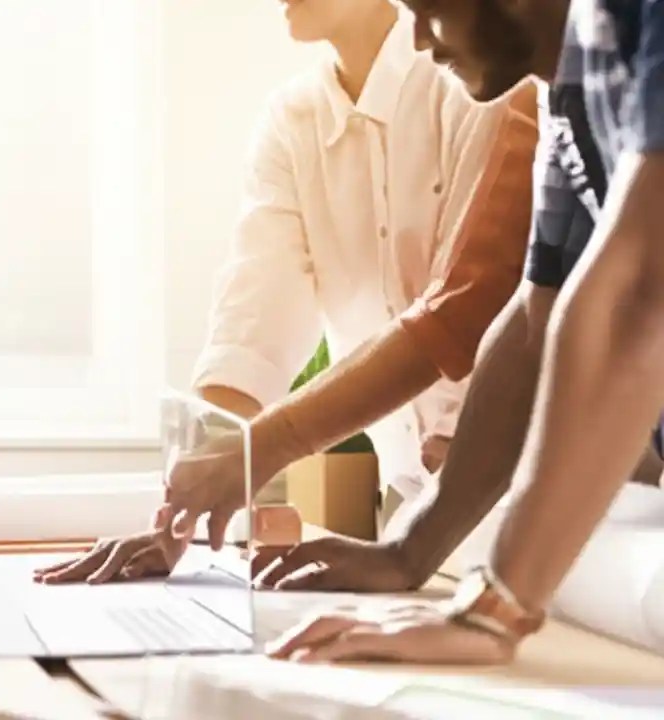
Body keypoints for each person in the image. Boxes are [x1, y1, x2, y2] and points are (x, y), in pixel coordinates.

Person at [212, 0, 664, 665]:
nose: (419, 40)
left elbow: (635, 296)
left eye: (429, 11)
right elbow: (533, 323)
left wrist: (494, 611)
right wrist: (411, 550)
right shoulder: (569, 83)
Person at [36, 0, 537, 585]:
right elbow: (253, 334)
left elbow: (462, 311)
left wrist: (263, 448)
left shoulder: (483, 79)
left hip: (535, 499)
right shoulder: (292, 120)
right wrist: (181, 515)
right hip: (423, 517)